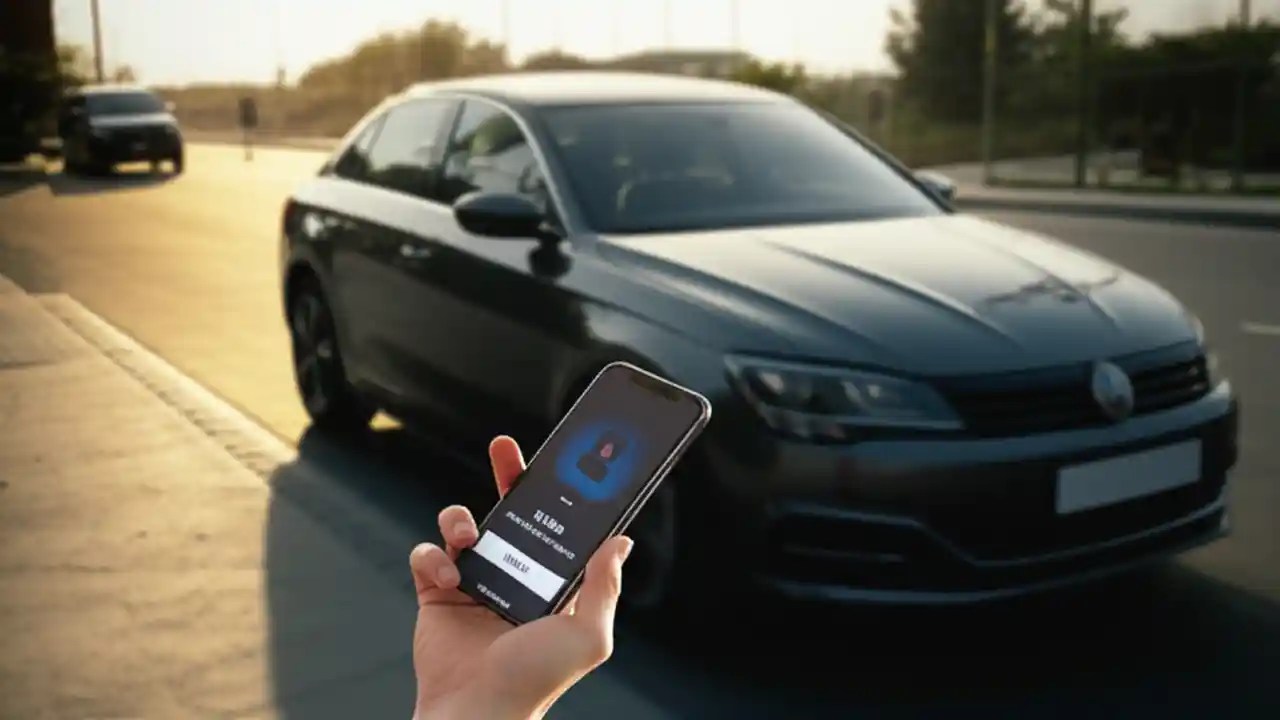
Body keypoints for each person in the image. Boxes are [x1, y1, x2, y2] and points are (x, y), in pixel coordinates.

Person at [409, 436, 634, 720]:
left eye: (612, 449)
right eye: (604, 445)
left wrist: (474, 704)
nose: (606, 450)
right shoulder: (584, 464)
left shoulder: (600, 477)